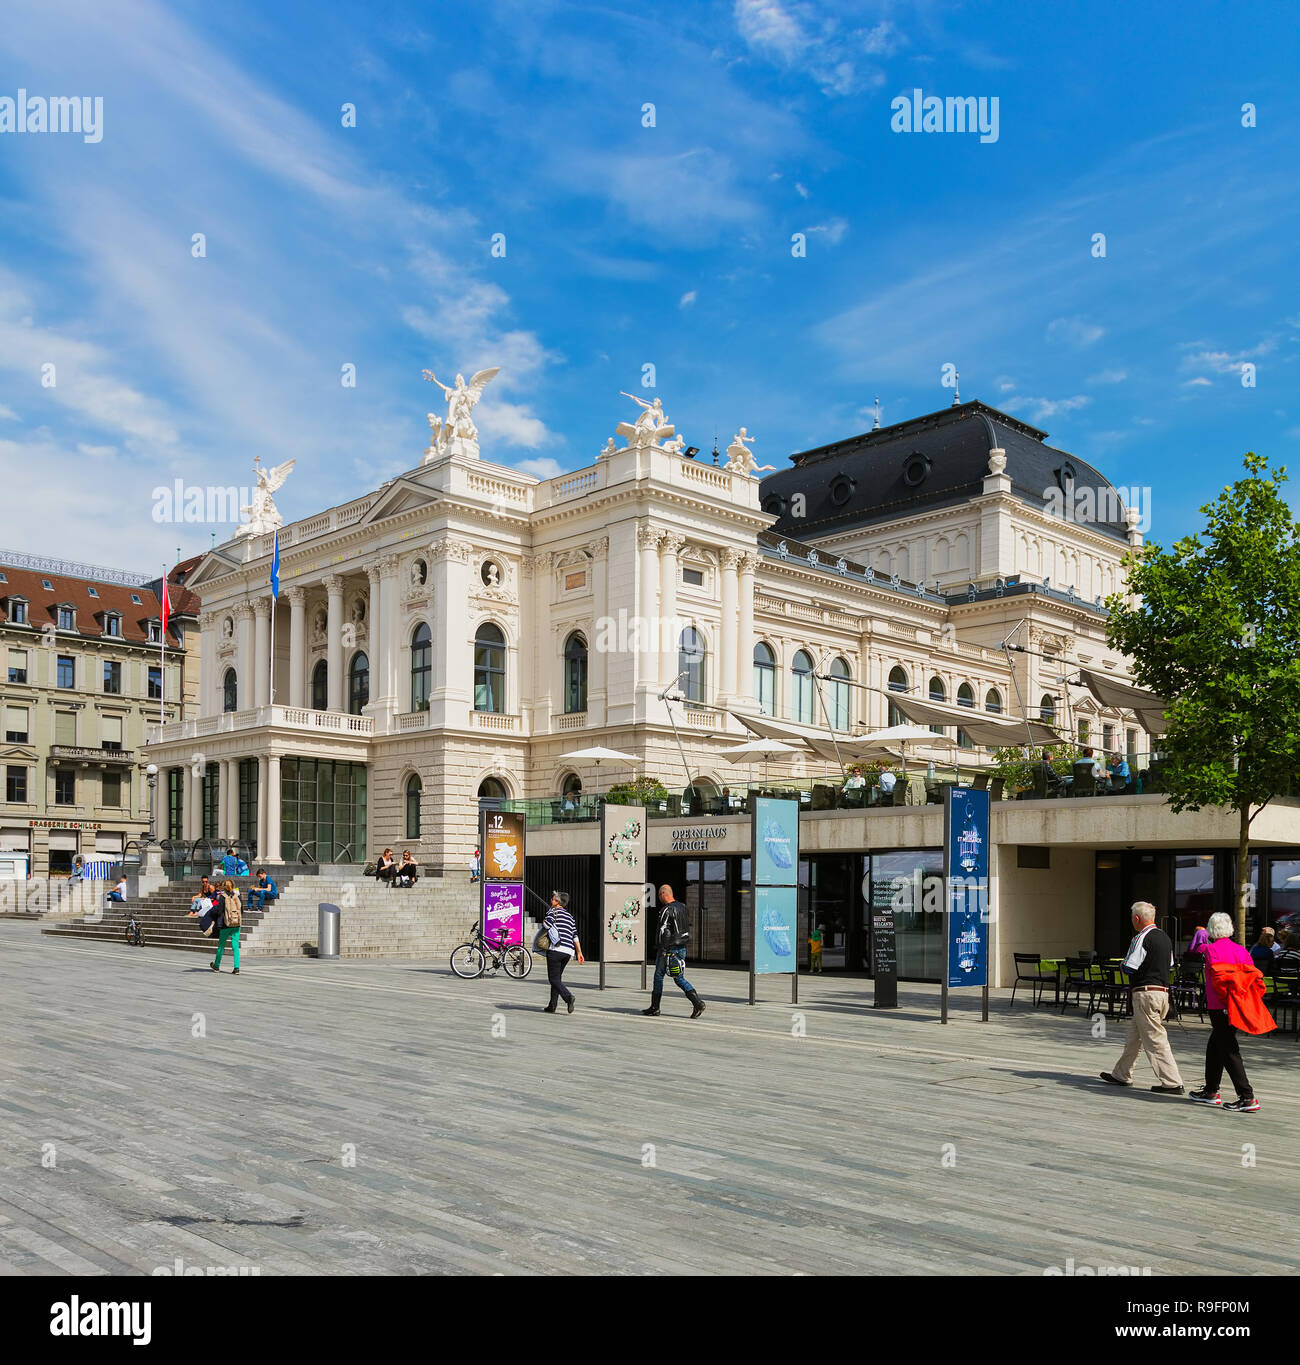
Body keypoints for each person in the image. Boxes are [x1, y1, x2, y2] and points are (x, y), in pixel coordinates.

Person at [1099, 901, 1184, 1095]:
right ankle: (1121, 1074)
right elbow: (1170, 965)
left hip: (1145, 993)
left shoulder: (1141, 937)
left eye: (1132, 918)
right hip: (1162, 993)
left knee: (1155, 1039)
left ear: (1137, 918)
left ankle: (1172, 1082)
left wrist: (1122, 964)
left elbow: (1129, 966)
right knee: (1134, 1037)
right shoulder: (1165, 938)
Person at [1189, 912, 1268, 1112]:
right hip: (1238, 1003)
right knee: (1216, 1046)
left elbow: (1199, 953)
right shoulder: (1241, 950)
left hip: (1220, 1005)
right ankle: (1210, 1090)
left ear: (1211, 930)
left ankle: (1247, 1097)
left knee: (1229, 1050)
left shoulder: (1211, 950)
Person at [644, 884, 705, 1019]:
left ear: (663, 895)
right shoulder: (682, 907)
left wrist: (664, 949)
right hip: (682, 947)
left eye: (660, 896)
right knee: (679, 978)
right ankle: (697, 1003)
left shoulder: (667, 910)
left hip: (669, 948)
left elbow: (664, 931)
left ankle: (655, 1007)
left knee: (659, 976)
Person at [540, 890, 583, 1014]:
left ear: (557, 901)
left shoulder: (552, 911)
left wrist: (545, 921)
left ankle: (568, 997)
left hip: (556, 949)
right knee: (557, 978)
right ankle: (552, 1005)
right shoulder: (570, 916)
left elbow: (546, 926)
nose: (551, 900)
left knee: (553, 979)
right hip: (568, 951)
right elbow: (575, 935)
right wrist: (579, 952)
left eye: (553, 898)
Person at [211, 879, 243, 975]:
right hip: (236, 924)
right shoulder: (238, 895)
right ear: (233, 886)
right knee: (235, 946)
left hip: (226, 924)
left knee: (221, 946)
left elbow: (220, 911)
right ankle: (236, 968)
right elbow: (242, 910)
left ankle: (216, 965)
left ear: (224, 887)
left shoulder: (223, 897)